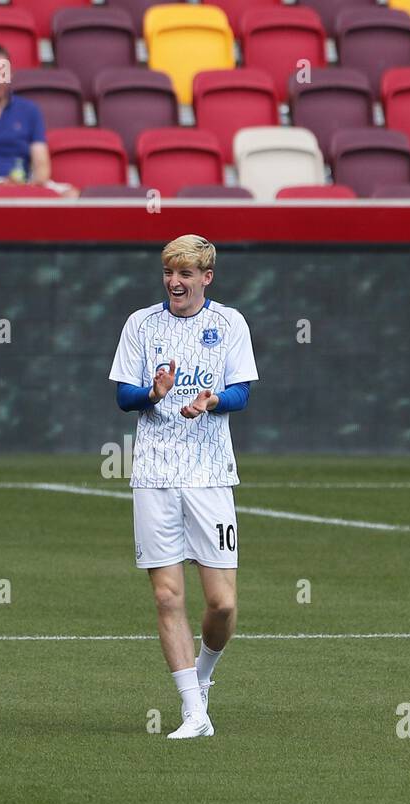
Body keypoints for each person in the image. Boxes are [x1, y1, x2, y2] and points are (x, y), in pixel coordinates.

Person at [108, 235, 258, 740]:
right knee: (168, 597)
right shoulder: (141, 324)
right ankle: (193, 712)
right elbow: (124, 395)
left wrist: (212, 402)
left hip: (211, 475)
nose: (175, 282)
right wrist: (153, 393)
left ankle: (203, 678)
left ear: (206, 278)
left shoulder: (229, 323)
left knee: (223, 603)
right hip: (153, 474)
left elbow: (242, 390)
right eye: (170, 273)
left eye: (186, 274)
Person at [0, 45, 77, 197]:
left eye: (0, 73)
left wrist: (30, 186)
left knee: (71, 194)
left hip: (25, 180)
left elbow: (41, 162)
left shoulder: (30, 110)